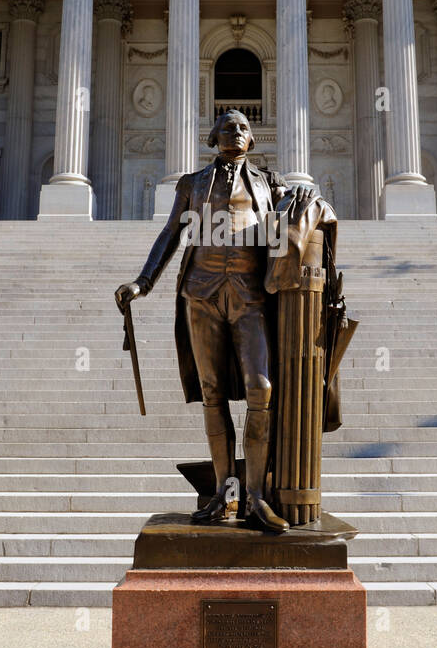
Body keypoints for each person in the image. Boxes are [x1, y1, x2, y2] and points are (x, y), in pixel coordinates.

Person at [115, 109, 318, 534]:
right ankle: (226, 495)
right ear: (212, 137)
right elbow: (171, 233)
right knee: (212, 394)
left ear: (253, 139)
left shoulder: (270, 184)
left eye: (244, 127)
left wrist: (304, 203)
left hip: (251, 295)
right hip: (201, 292)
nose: (236, 132)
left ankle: (258, 496)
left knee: (260, 388)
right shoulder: (192, 183)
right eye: (228, 127)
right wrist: (143, 281)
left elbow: (304, 220)